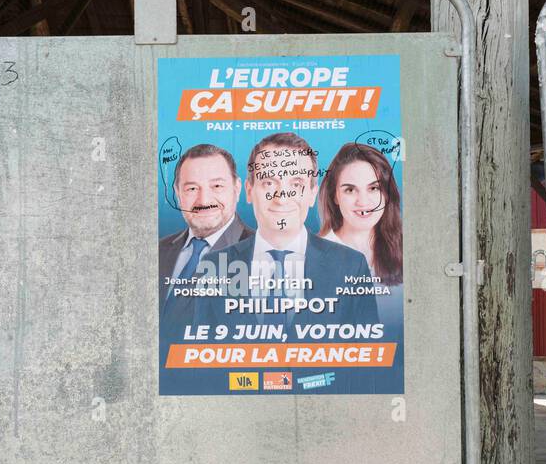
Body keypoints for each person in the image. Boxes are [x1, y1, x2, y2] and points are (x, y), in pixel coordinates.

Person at [198, 132, 378, 332]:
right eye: (268, 183)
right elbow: (201, 354)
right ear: (249, 191)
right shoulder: (214, 267)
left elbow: (367, 355)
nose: (281, 198)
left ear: (312, 194)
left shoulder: (351, 265)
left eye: (296, 184)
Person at [158, 144, 253, 323]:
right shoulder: (157, 251)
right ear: (177, 193)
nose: (204, 200)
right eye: (192, 189)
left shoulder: (262, 252)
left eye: (217, 186)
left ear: (237, 188)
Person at [317, 142, 404, 327]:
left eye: (374, 188)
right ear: (335, 196)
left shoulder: (410, 250)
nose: (363, 201)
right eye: (350, 189)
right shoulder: (311, 256)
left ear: (387, 194)